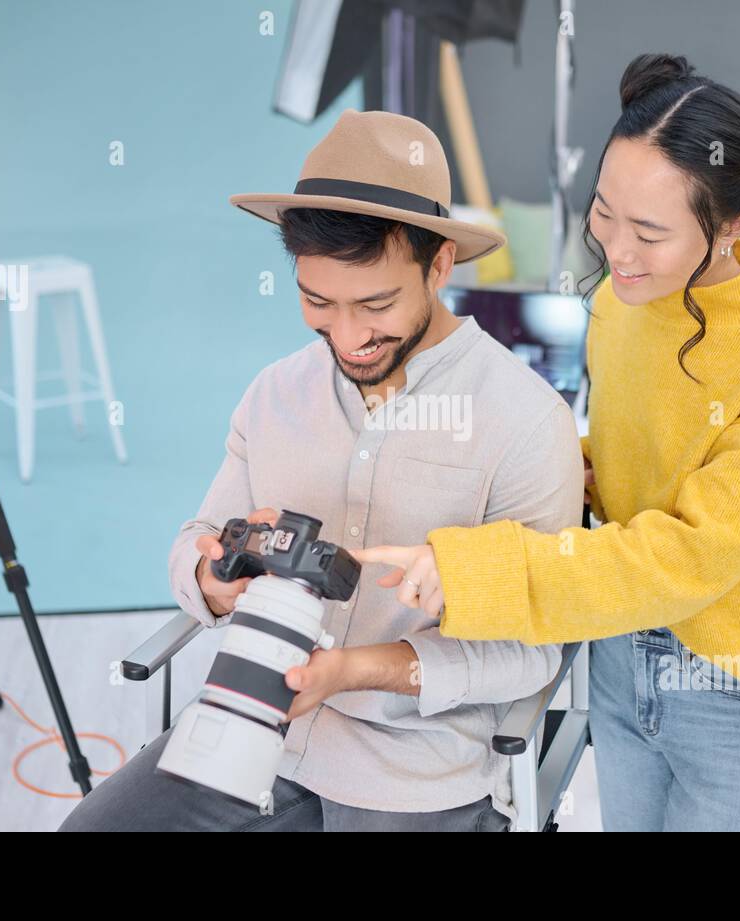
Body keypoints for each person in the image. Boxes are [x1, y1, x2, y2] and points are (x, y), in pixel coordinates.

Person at [356, 54, 740, 832]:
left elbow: (687, 556)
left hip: (739, 700)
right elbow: (628, 464)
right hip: (618, 661)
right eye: (604, 212)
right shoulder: (624, 305)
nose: (615, 250)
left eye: (650, 231)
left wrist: (476, 572)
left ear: (732, 226)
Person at [59, 109, 582, 832]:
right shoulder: (277, 393)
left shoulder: (525, 420)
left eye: (375, 304)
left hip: (412, 772)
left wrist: (357, 668)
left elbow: (530, 651)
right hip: (245, 734)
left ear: (438, 266)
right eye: (317, 302)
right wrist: (217, 576)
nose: (347, 336)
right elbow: (195, 543)